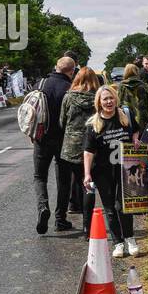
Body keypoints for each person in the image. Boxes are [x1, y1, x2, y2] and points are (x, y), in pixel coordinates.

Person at [82, 85, 139, 257]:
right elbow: (88, 151)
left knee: (123, 205)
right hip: (102, 171)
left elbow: (135, 130)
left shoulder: (125, 116)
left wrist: (135, 139)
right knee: (109, 208)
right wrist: (87, 174)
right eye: (105, 99)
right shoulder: (93, 124)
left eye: (111, 98)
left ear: (116, 99)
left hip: (125, 167)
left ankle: (130, 238)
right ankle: (118, 243)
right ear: (98, 102)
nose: (108, 101)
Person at [32, 56, 76, 235]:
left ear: (56, 67)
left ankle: (42, 207)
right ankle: (60, 219)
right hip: (63, 139)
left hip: (41, 138)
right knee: (63, 179)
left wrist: (32, 133)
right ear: (71, 71)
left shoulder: (40, 84)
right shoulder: (69, 88)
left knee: (39, 177)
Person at [58, 68, 99, 233]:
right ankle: (87, 227)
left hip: (71, 146)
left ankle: (66, 212)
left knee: (70, 182)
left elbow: (62, 121)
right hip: (92, 146)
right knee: (88, 185)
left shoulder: (68, 97)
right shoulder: (97, 97)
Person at [116, 62, 148, 133]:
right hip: (143, 119)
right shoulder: (143, 85)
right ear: (136, 72)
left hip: (127, 117)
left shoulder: (122, 86)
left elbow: (118, 103)